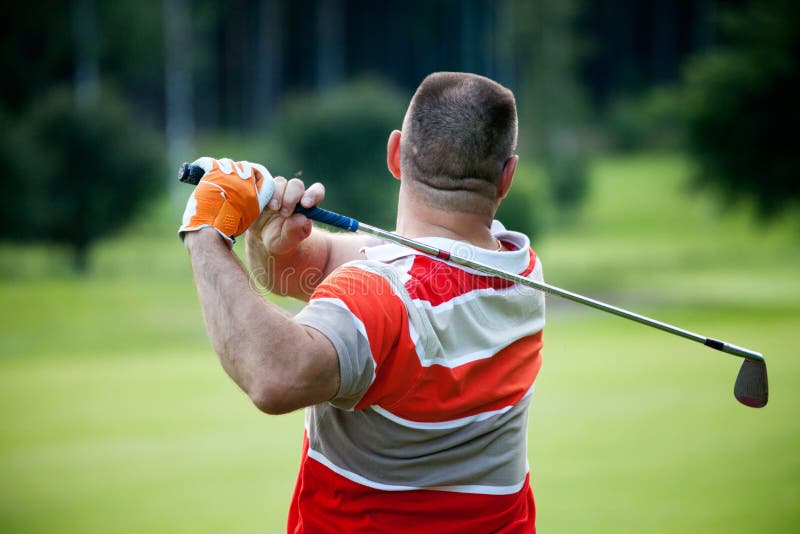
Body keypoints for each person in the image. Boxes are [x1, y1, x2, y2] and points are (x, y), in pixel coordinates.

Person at [180, 72, 545, 533]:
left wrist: (205, 232)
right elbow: (314, 268)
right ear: (506, 177)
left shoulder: (382, 296)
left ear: (395, 154)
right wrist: (268, 238)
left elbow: (272, 376)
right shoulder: (522, 269)